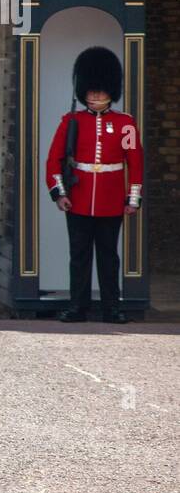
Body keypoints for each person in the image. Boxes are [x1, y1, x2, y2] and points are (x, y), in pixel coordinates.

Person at [45, 46, 142, 324]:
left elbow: (134, 163)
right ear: (84, 92)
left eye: (101, 91)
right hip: (78, 198)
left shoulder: (125, 124)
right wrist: (59, 194)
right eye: (92, 91)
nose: (96, 96)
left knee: (109, 258)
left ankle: (112, 308)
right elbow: (54, 160)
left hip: (111, 201)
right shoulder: (71, 121)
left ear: (111, 90)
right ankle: (78, 307)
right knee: (79, 257)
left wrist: (132, 198)